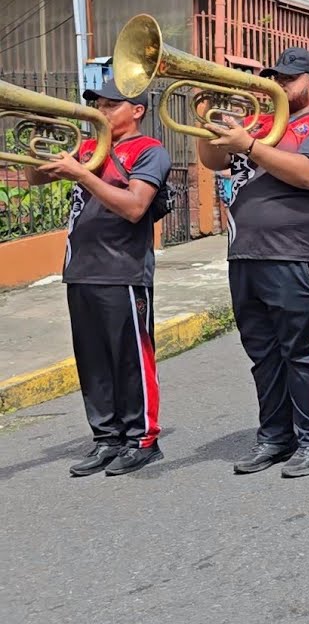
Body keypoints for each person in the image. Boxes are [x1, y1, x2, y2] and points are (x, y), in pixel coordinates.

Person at [200, 48, 309, 478]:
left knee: (304, 354)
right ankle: (275, 436)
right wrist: (204, 118)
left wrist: (250, 145)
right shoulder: (259, 123)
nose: (279, 84)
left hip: (299, 252)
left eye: (289, 78)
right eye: (276, 77)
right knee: (263, 354)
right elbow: (213, 160)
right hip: (246, 252)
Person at [28, 79, 171, 477]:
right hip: (81, 269)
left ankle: (141, 439)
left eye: (111, 104)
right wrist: (35, 143)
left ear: (136, 110)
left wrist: (83, 174)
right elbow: (36, 178)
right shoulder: (87, 147)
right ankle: (107, 438)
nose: (101, 111)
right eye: (98, 104)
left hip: (122, 270)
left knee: (130, 360)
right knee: (92, 362)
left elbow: (135, 206)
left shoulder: (149, 151)